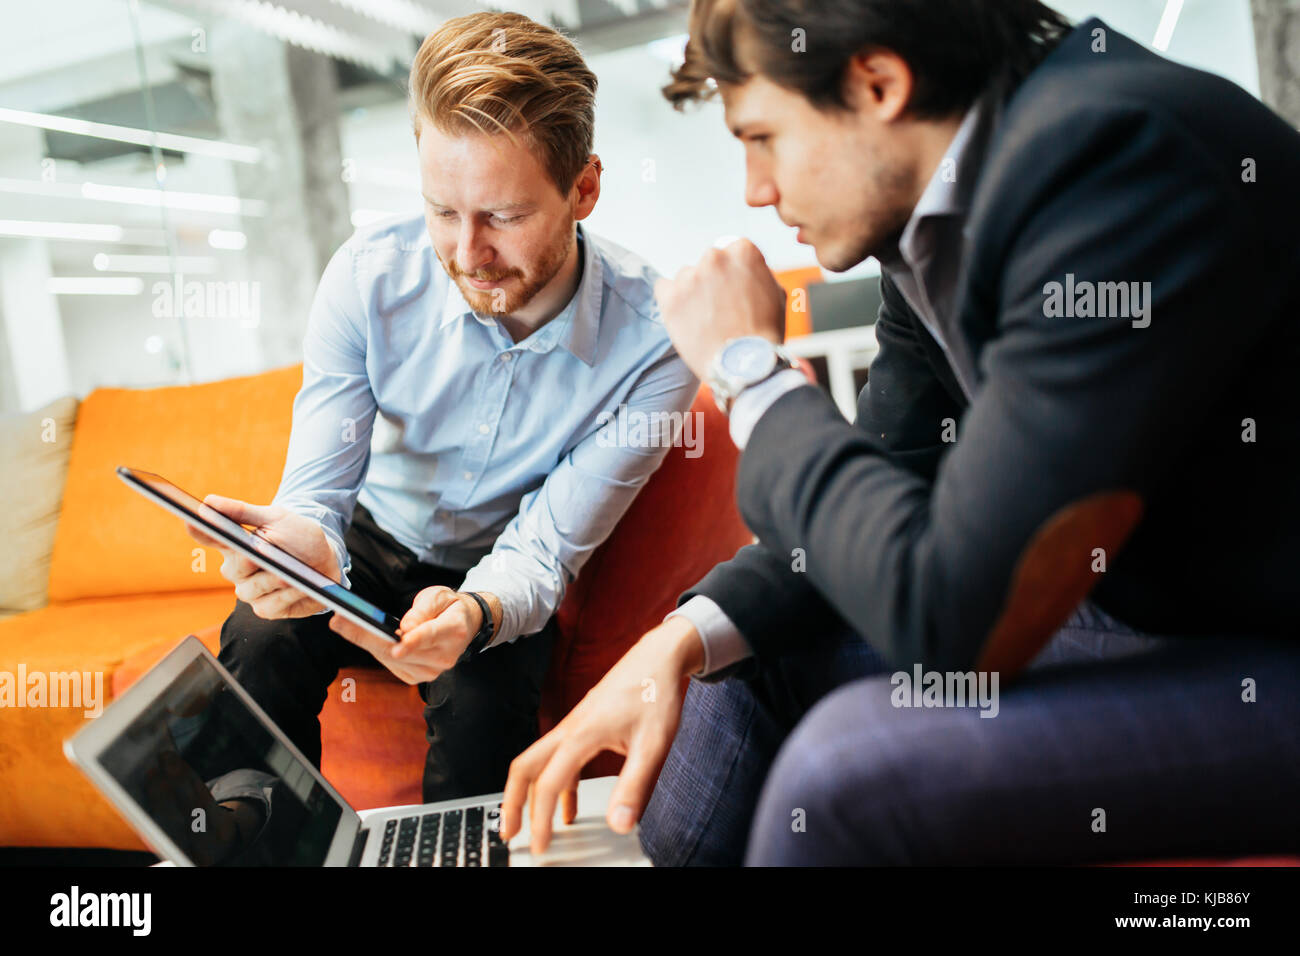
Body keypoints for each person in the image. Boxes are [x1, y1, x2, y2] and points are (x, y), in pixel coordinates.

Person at [501, 0, 1300, 865]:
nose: (755, 190)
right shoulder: (934, 222)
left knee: (847, 772)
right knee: (732, 664)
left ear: (878, 84)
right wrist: (681, 637)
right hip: (1155, 610)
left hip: (1261, 647)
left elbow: (961, 620)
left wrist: (749, 372)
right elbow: (892, 468)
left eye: (763, 136)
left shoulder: (1119, 162)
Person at [188, 11, 696, 814]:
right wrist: (306, 542)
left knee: (485, 718)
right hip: (369, 532)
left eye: (504, 216)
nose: (466, 253)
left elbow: (546, 546)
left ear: (584, 188)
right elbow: (319, 490)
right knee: (257, 639)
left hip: (496, 559)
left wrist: (474, 610)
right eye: (441, 212)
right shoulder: (365, 278)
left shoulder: (656, 343)